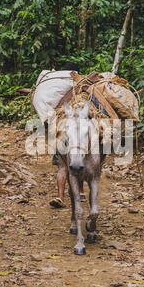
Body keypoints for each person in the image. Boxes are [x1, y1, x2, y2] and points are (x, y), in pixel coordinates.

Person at [48, 62, 86, 208]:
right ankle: (81, 192)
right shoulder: (84, 88)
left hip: (63, 130)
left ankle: (60, 196)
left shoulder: (56, 89)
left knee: (62, 166)